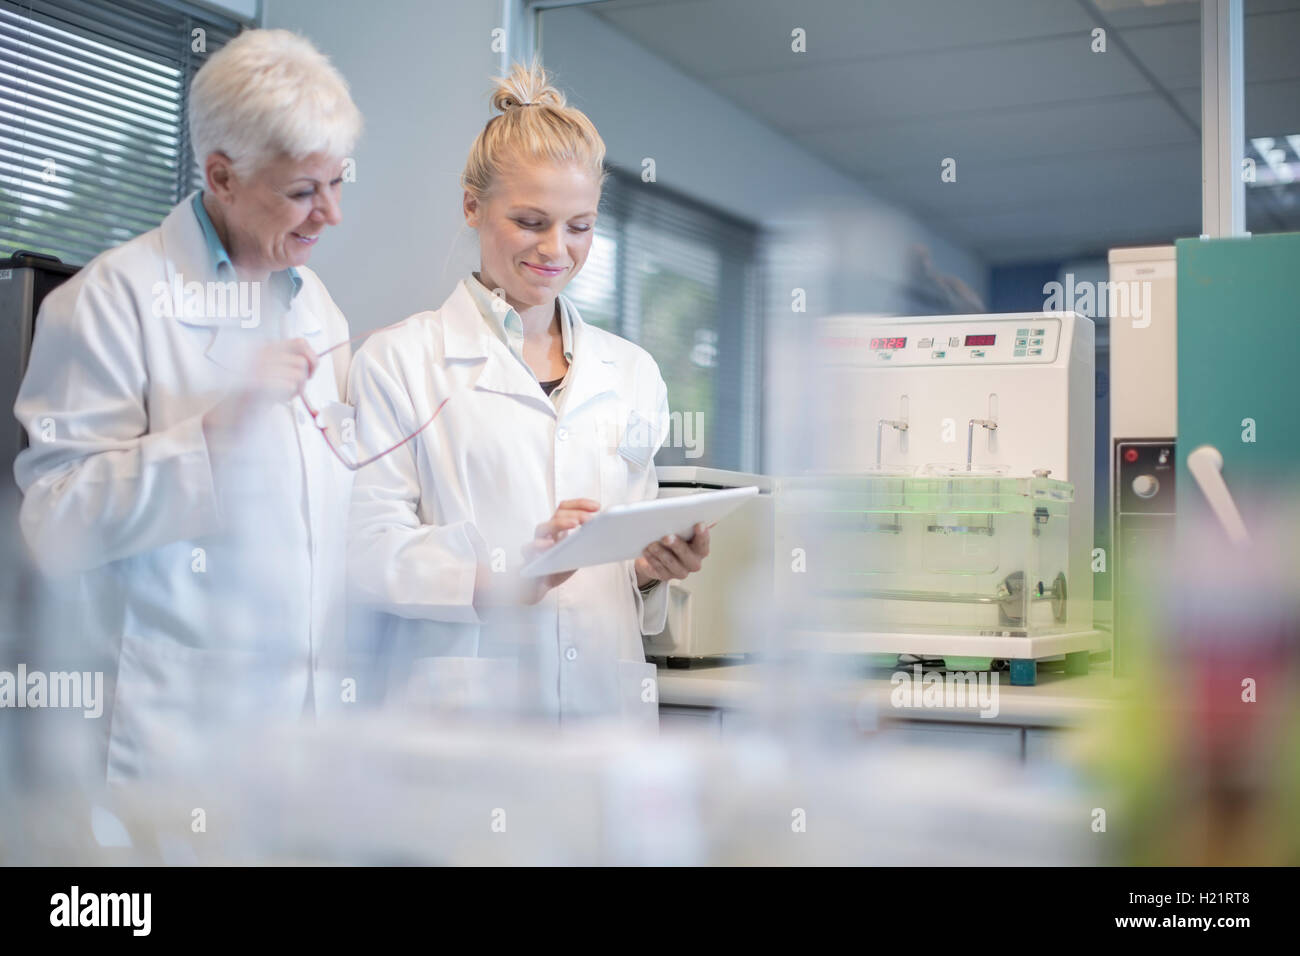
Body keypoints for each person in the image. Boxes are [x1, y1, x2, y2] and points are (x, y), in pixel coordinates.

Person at [12, 29, 363, 781]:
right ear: (222, 177)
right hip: (172, 734)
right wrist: (213, 433)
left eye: (339, 183)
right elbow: (51, 522)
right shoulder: (109, 301)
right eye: (303, 191)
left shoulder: (318, 310)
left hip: (302, 731)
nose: (329, 214)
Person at [346, 63, 709, 727]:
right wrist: (512, 570)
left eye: (580, 226)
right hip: (464, 721)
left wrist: (653, 567)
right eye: (531, 220)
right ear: (471, 206)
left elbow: (620, 565)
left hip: (605, 714)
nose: (556, 249)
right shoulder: (398, 362)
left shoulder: (632, 373)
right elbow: (367, 552)